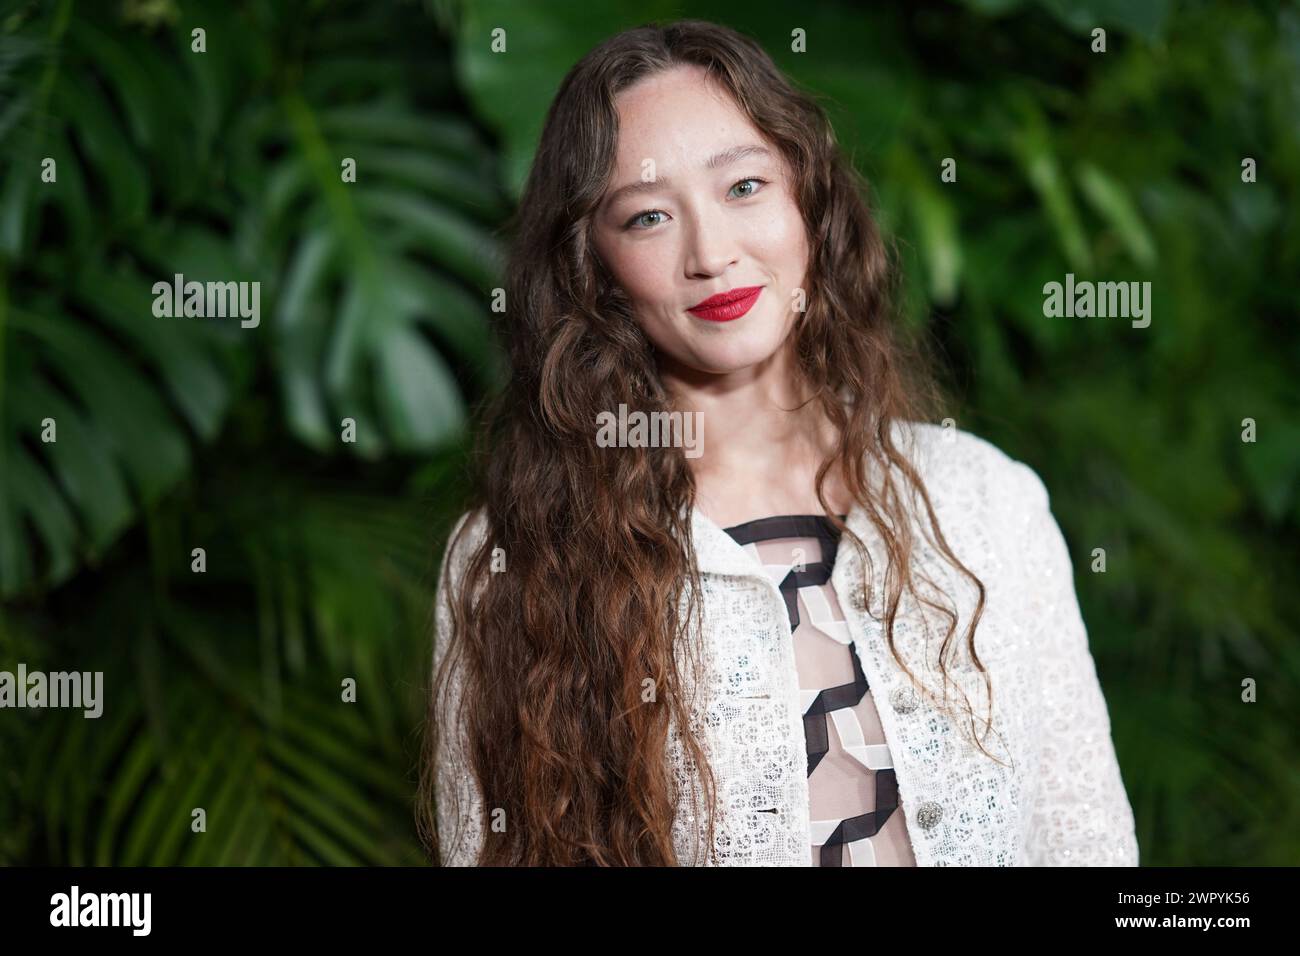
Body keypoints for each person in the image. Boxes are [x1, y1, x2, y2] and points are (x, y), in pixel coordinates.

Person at [416, 19, 1139, 867]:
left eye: (744, 187)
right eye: (648, 216)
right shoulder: (513, 559)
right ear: (591, 266)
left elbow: (1088, 839)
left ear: (808, 200)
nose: (712, 254)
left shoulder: (988, 500)